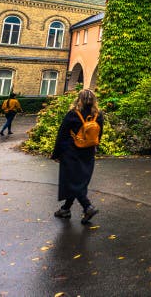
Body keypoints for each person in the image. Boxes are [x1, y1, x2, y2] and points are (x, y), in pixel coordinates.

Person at [50, 89, 104, 224]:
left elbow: (62, 135)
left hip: (71, 152)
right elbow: (99, 134)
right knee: (79, 181)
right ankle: (65, 209)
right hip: (89, 152)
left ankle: (88, 207)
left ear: (79, 99)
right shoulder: (98, 115)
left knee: (72, 181)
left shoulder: (73, 114)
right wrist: (95, 148)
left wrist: (56, 154)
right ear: (94, 100)